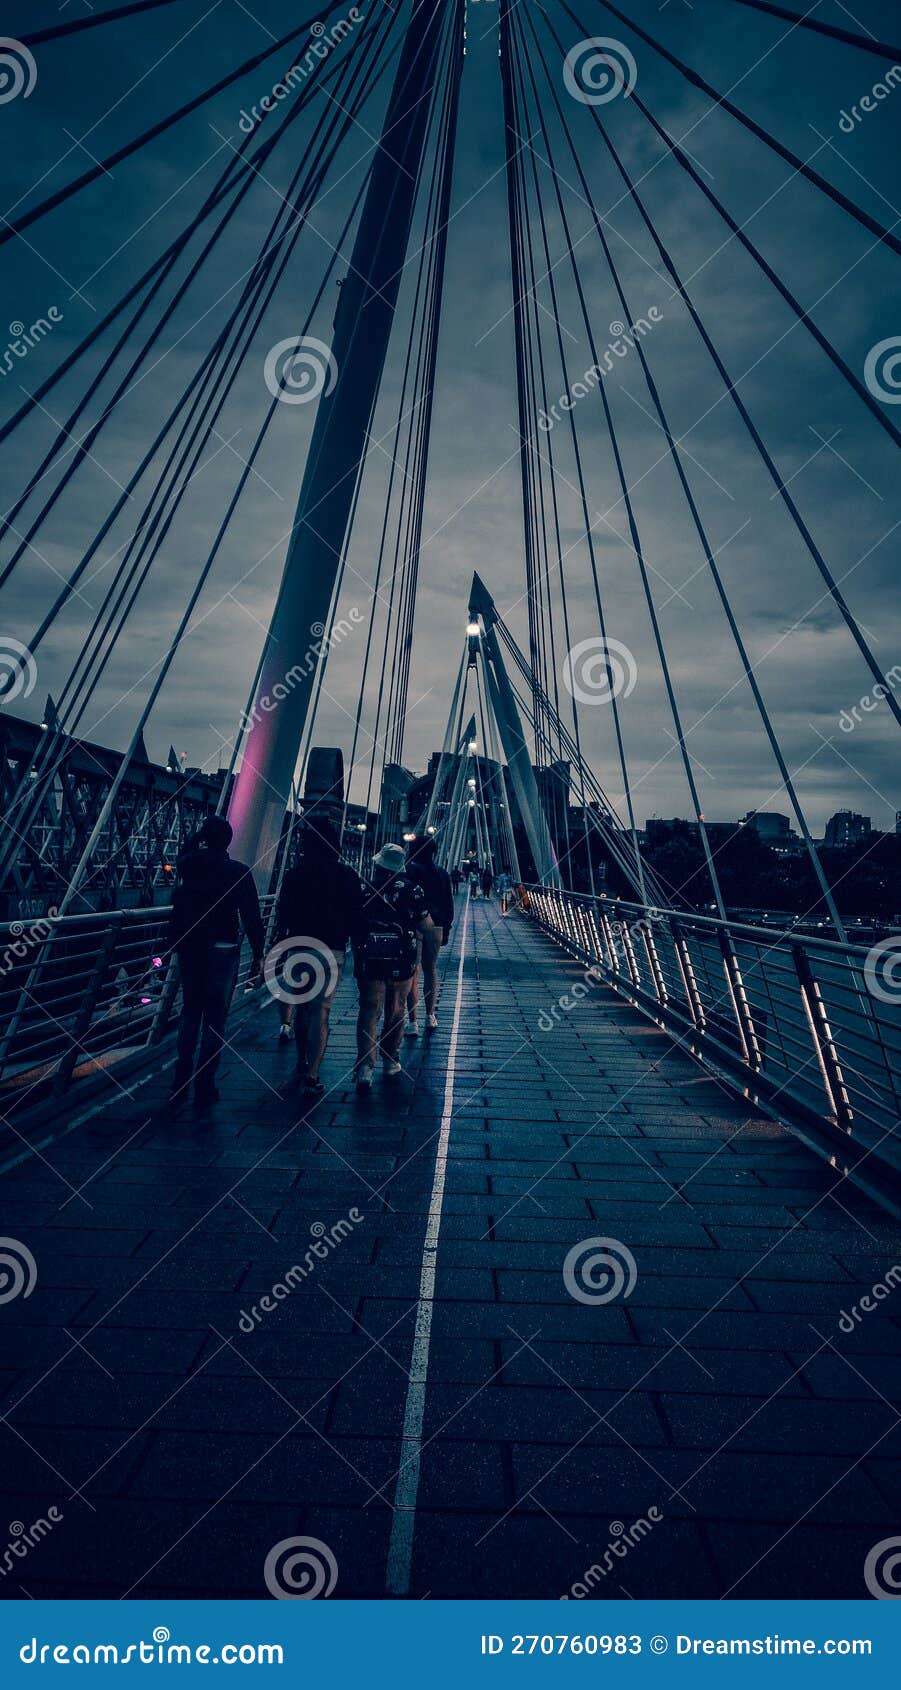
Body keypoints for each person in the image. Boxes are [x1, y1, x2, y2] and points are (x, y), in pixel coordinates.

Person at [168, 815, 264, 1110]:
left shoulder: (190, 866)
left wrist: (197, 838)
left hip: (191, 948)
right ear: (229, 841)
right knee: (214, 1018)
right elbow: (251, 916)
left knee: (190, 1012)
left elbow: (183, 855)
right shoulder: (238, 871)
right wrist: (258, 954)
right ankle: (205, 1083)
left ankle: (179, 1080)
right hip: (223, 948)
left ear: (204, 837)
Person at [275, 819, 362, 1096]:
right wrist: (358, 946)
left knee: (302, 1007)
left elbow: (284, 914)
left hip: (299, 947)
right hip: (331, 950)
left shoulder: (293, 875)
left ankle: (300, 1060)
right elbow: (355, 915)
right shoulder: (347, 876)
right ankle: (313, 1073)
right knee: (321, 1011)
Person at [352, 842, 432, 1091]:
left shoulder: (364, 887)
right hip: (402, 957)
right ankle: (390, 1060)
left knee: (369, 1009)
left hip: (369, 956)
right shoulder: (412, 890)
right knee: (396, 1009)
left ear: (378, 864)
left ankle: (365, 1067)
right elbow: (426, 925)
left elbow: (353, 921)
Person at [404, 835, 453, 1035]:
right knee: (430, 970)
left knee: (412, 972)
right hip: (437, 926)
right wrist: (446, 928)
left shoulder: (409, 871)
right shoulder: (442, 874)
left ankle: (412, 1021)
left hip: (414, 924)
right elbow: (448, 905)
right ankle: (430, 1016)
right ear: (434, 852)